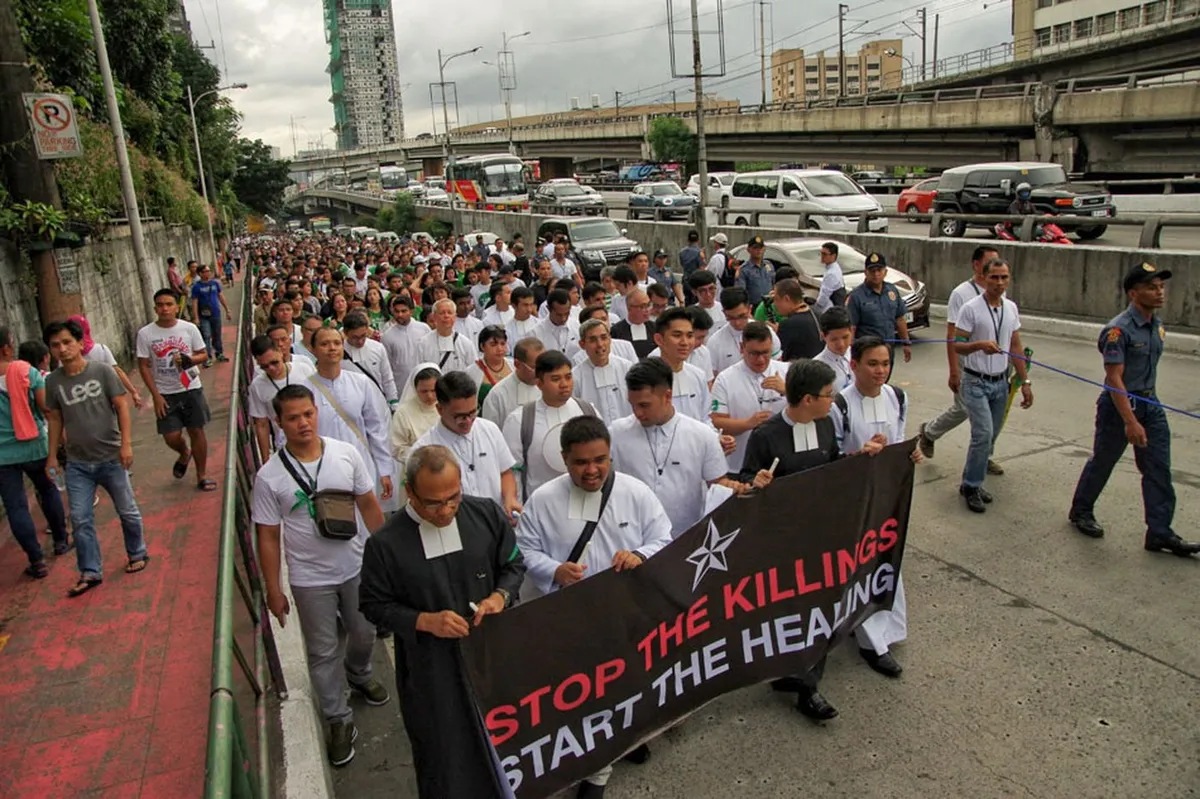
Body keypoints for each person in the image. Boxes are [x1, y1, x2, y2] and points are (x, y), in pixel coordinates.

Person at [515, 416, 671, 797]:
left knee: (621, 690)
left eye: (600, 459)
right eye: (581, 462)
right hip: (568, 620)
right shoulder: (543, 500)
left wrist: (639, 554)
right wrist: (555, 570)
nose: (592, 470)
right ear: (564, 460)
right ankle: (592, 764)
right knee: (579, 697)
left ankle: (609, 758)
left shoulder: (636, 492)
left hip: (624, 617)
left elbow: (664, 538)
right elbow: (525, 549)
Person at [358, 445, 526, 798]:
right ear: (410, 492)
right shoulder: (385, 544)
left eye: (454, 497)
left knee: (508, 738)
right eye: (434, 503)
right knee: (444, 754)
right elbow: (373, 604)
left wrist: (500, 597)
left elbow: (513, 566)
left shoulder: (484, 515)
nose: (446, 510)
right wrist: (423, 621)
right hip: (431, 669)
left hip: (490, 654)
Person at [253, 384, 389, 767]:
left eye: (307, 414)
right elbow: (267, 534)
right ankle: (338, 718)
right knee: (322, 650)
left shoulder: (345, 455)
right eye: (292, 418)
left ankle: (359, 673)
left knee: (365, 632)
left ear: (317, 412)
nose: (302, 423)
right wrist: (273, 589)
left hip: (357, 565)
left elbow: (368, 504)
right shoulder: (269, 477)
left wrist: (387, 556)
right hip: (309, 578)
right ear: (279, 423)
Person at [1068, 263, 1199, 556]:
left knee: (1158, 469)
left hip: (1151, 404)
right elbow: (1114, 378)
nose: (1160, 292)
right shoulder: (1118, 330)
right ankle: (1081, 510)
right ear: (1133, 293)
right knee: (1104, 460)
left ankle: (1160, 532)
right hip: (1120, 406)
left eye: (1161, 286)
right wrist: (1130, 421)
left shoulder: (1157, 326)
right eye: (1152, 287)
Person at [739, 359, 842, 721]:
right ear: (808, 398)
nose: (833, 401)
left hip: (820, 535)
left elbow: (835, 464)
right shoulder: (767, 435)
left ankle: (808, 686)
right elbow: (747, 477)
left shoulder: (827, 424)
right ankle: (783, 669)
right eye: (828, 395)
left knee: (818, 609)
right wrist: (757, 483)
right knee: (785, 611)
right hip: (781, 540)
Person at [829, 336, 922, 678]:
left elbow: (899, 439)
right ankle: (871, 642)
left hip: (888, 497)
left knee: (886, 563)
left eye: (885, 364)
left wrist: (910, 454)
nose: (880, 371)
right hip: (854, 501)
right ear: (854, 365)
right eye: (872, 364)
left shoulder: (898, 397)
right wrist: (859, 455)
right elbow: (832, 457)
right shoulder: (840, 405)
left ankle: (885, 628)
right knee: (859, 568)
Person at [44, 319, 147, 598]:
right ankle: (90, 571)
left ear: (80, 343)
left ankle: (137, 552)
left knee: (127, 510)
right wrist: (52, 456)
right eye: (56, 345)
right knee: (79, 517)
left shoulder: (102, 371)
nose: (62, 349)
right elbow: (54, 419)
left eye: (67, 342)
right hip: (78, 463)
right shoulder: (52, 382)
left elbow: (121, 407)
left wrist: (126, 445)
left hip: (112, 457)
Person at [611, 359, 748, 537]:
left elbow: (717, 484)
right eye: (633, 404)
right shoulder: (616, 433)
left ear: (667, 396)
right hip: (632, 539)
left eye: (644, 405)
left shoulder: (702, 435)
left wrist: (736, 488)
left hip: (686, 539)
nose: (638, 412)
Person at [952, 257, 1032, 513]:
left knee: (992, 434)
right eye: (994, 277)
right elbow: (957, 344)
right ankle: (971, 485)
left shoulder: (1011, 308)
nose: (999, 282)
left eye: (1004, 277)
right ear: (984, 278)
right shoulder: (970, 309)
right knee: (983, 434)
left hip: (1000, 383)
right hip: (975, 381)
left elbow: (1016, 345)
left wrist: (1025, 380)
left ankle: (973, 477)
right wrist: (979, 345)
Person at [917, 246, 1006, 477]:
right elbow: (952, 335)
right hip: (969, 365)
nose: (996, 273)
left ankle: (984, 456)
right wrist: (954, 370)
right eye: (989, 264)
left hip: (994, 366)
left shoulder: (1000, 290)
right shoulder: (962, 294)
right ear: (976, 265)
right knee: (965, 408)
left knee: (992, 418)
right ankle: (929, 432)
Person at [0, 326, 70, 580]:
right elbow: (46, 409)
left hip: (3, 456)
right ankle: (61, 541)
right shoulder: (25, 371)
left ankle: (36, 560)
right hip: (34, 445)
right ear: (7, 348)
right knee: (48, 490)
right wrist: (60, 441)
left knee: (15, 506)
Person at [413, 371, 522, 519]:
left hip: (495, 520)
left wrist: (510, 498)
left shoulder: (490, 430)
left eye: (473, 413)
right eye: (460, 417)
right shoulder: (425, 449)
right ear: (440, 409)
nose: (468, 421)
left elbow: (505, 473)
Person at [136, 288, 215, 491]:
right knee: (170, 435)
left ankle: (202, 475)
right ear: (155, 308)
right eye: (160, 305)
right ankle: (183, 452)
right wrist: (155, 396)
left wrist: (189, 360)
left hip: (190, 388)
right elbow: (144, 365)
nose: (165, 309)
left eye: (169, 304)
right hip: (165, 392)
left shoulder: (188, 329)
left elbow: (203, 354)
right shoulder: (145, 334)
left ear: (176, 306)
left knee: (197, 430)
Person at [307, 327, 396, 505]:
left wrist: (385, 470)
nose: (332, 348)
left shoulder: (361, 383)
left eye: (337, 343)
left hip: (361, 464)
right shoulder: (305, 389)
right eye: (324, 344)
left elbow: (376, 429)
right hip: (322, 467)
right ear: (313, 350)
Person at [503, 350, 598, 500]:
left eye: (568, 377)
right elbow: (513, 471)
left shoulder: (588, 411)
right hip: (542, 504)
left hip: (585, 500)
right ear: (539, 383)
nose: (564, 384)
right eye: (555, 379)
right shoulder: (520, 420)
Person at [711, 322, 789, 474]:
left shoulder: (787, 371)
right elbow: (717, 421)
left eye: (765, 353)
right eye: (754, 353)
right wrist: (748, 423)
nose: (760, 360)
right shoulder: (725, 379)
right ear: (742, 348)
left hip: (781, 464)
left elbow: (809, 407)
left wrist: (787, 391)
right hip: (739, 465)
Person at [248, 335, 316, 463]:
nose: (271, 369)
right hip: (286, 445)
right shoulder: (257, 386)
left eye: (274, 362)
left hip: (315, 436)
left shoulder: (304, 369)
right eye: (265, 367)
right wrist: (266, 460)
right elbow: (261, 425)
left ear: (280, 352)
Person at [847, 252, 912, 369]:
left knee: (884, 381)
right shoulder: (857, 296)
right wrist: (850, 353)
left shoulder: (892, 291)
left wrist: (906, 342)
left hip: (888, 350)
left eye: (879, 270)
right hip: (867, 351)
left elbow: (900, 319)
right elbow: (852, 327)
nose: (876, 274)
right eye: (872, 271)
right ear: (865, 273)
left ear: (885, 272)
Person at [650, 307, 711, 423]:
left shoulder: (698, 376)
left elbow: (705, 419)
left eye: (689, 336)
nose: (685, 343)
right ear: (659, 339)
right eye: (677, 335)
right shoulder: (646, 379)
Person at [70, 314, 145, 408]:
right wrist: (133, 392)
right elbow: (118, 371)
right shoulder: (101, 349)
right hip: (105, 399)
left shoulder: (67, 356)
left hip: (81, 401)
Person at [388, 364, 442, 495]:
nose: (429, 396)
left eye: (434, 390)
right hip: (416, 471)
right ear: (415, 389)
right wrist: (422, 457)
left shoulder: (447, 406)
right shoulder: (404, 412)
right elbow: (397, 447)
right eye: (424, 391)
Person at [706, 287, 782, 377]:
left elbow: (778, 365)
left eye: (742, 316)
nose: (737, 323)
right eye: (731, 317)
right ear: (724, 313)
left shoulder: (767, 332)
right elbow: (712, 376)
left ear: (750, 309)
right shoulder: (714, 342)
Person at [573, 319, 633, 425]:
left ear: (610, 339)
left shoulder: (627, 368)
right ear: (582, 344)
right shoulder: (576, 377)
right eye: (593, 340)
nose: (600, 344)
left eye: (604, 338)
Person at [482, 337, 544, 426]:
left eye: (544, 366)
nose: (541, 372)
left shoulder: (549, 386)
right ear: (517, 364)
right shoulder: (497, 395)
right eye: (534, 368)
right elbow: (491, 433)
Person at [343, 312, 398, 405]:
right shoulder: (338, 352)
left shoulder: (378, 348)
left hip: (377, 401)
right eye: (355, 337)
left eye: (363, 336)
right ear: (345, 333)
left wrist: (393, 401)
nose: (360, 341)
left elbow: (387, 378)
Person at [382, 294, 431, 393]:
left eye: (403, 311)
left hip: (424, 381)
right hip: (401, 386)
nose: (400, 315)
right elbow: (387, 366)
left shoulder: (424, 329)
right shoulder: (387, 336)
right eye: (397, 311)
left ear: (411, 311)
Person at [418, 298, 477, 374]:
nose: (446, 316)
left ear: (455, 316)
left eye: (449, 313)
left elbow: (474, 370)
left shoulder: (466, 343)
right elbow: (419, 370)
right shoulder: (423, 343)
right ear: (434, 317)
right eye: (442, 313)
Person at [190, 264, 232, 365]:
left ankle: (219, 353)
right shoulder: (196, 287)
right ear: (200, 273)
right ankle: (207, 357)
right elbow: (194, 302)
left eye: (209, 271)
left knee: (217, 334)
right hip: (203, 315)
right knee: (206, 335)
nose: (208, 273)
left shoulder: (215, 284)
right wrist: (196, 317)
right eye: (205, 271)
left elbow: (221, 296)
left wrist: (227, 310)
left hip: (215, 313)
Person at [773, 278, 823, 361]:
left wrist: (776, 334)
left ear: (786, 299)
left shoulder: (788, 325)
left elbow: (781, 357)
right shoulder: (818, 313)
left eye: (776, 299)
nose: (775, 304)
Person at [465, 326, 512, 405]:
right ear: (482, 346)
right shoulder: (471, 372)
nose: (500, 348)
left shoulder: (514, 366)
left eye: (503, 344)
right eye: (493, 344)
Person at [813, 308, 854, 391]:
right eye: (834, 339)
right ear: (823, 336)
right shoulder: (817, 367)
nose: (841, 344)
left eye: (845, 337)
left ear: (852, 331)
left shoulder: (860, 355)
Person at [610, 289, 657, 360]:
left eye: (648, 305)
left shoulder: (655, 328)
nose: (647, 310)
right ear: (629, 308)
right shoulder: (616, 331)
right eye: (642, 307)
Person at [531, 289, 579, 355]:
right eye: (559, 315)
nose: (563, 319)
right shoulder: (535, 333)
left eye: (566, 313)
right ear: (548, 309)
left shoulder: (577, 327)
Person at [736, 235, 774, 306]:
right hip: (753, 307)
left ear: (764, 249)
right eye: (755, 248)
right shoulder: (744, 270)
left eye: (760, 248)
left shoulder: (769, 265)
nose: (758, 250)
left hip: (769, 306)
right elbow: (740, 294)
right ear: (748, 249)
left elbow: (774, 285)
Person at [813, 242, 847, 314]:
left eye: (825, 254)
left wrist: (814, 310)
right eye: (821, 253)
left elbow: (824, 297)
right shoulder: (833, 268)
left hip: (831, 311)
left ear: (833, 256)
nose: (822, 256)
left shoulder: (831, 273)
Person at [504, 286, 540, 352]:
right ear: (514, 305)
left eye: (531, 304)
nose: (529, 309)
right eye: (525, 305)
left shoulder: (540, 325)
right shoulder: (507, 330)